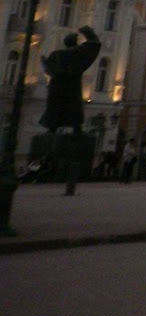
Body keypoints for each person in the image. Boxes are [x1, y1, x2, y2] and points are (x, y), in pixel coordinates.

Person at [41, 24, 101, 196]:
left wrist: (47, 64)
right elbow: (94, 44)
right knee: (74, 112)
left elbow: (48, 69)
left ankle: (53, 129)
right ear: (74, 43)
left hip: (57, 89)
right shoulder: (77, 53)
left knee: (57, 111)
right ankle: (74, 130)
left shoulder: (57, 54)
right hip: (71, 88)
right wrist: (88, 32)